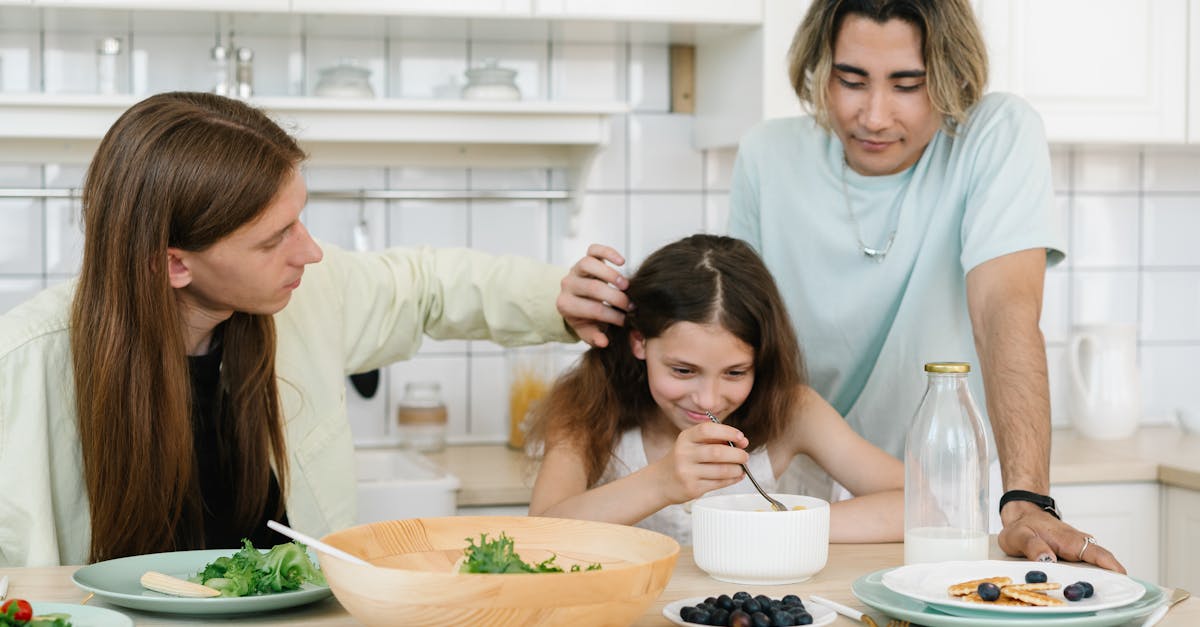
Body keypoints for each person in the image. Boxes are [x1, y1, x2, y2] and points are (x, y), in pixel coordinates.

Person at [564, 0, 1124, 572]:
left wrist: (1025, 498)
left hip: (922, 510)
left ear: (955, 76)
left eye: (908, 85)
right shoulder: (768, 154)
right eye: (850, 81)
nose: (874, 116)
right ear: (819, 67)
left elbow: (1004, 311)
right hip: (791, 492)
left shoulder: (996, 133)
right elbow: (728, 319)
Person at [0, 91, 612, 567]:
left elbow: (427, 285)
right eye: (274, 240)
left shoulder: (305, 296)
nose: (311, 253)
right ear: (174, 263)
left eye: (299, 221)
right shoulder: (23, 363)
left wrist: (556, 299)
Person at [528, 234, 903, 545]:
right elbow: (541, 535)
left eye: (736, 372)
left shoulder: (793, 410)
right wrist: (660, 483)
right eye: (683, 370)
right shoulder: (588, 405)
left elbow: (921, 505)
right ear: (639, 341)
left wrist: (781, 526)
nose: (708, 399)